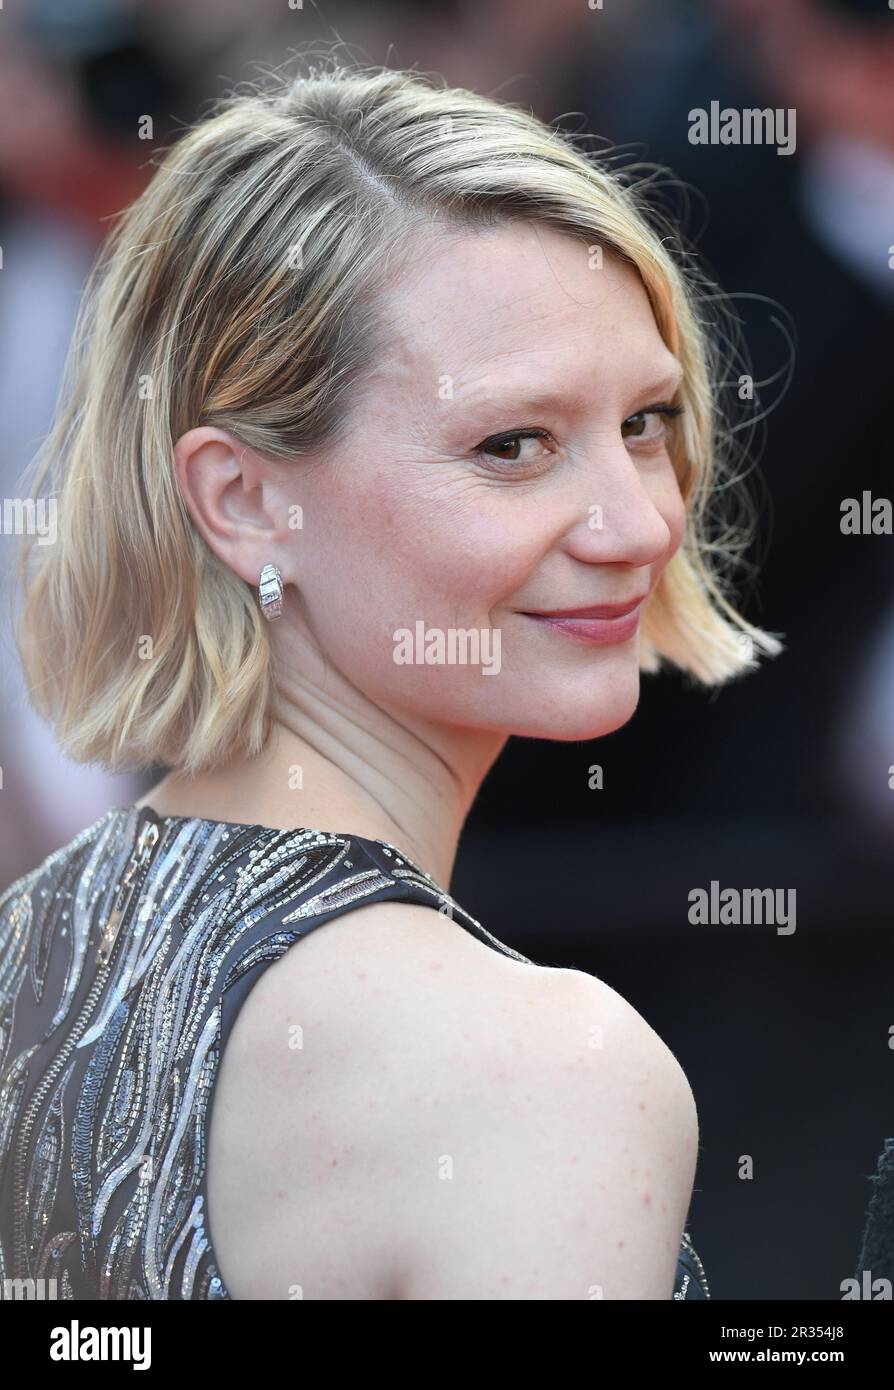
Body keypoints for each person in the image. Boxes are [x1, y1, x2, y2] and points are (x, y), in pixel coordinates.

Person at [0, 58, 779, 1300]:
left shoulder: (30, 943)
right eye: (513, 446)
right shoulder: (540, 1072)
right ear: (246, 501)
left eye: (645, 421)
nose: (635, 522)